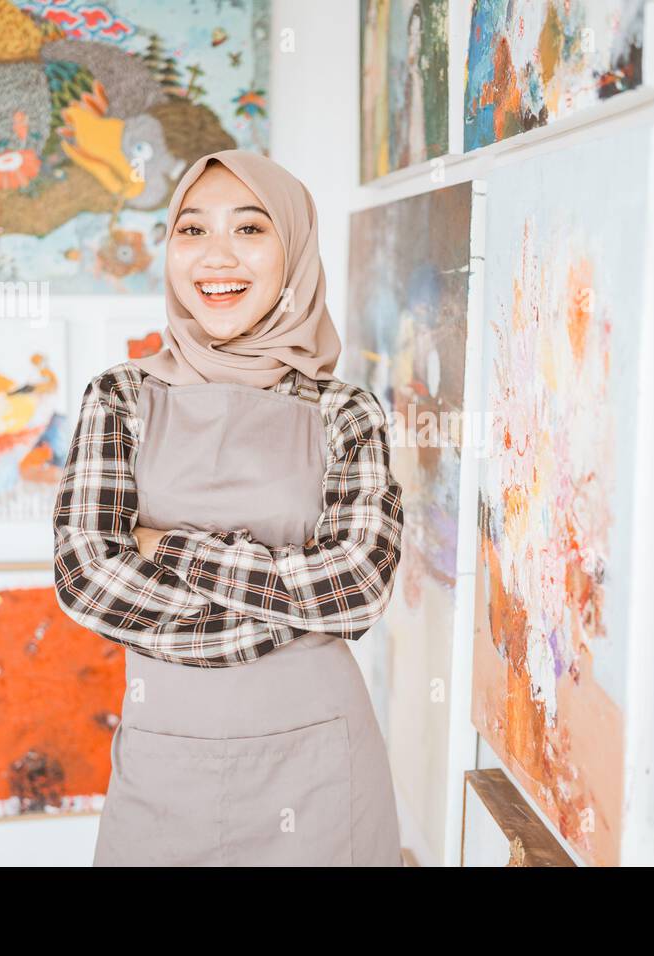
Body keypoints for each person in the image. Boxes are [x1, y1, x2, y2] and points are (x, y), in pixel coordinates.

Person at [52, 149, 405, 866]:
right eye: (192, 230)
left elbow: (357, 588)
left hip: (323, 765)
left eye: (250, 230)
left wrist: (169, 546)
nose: (217, 257)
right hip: (164, 766)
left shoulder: (346, 411)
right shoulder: (120, 395)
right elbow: (87, 578)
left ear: (293, 251)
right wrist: (284, 615)